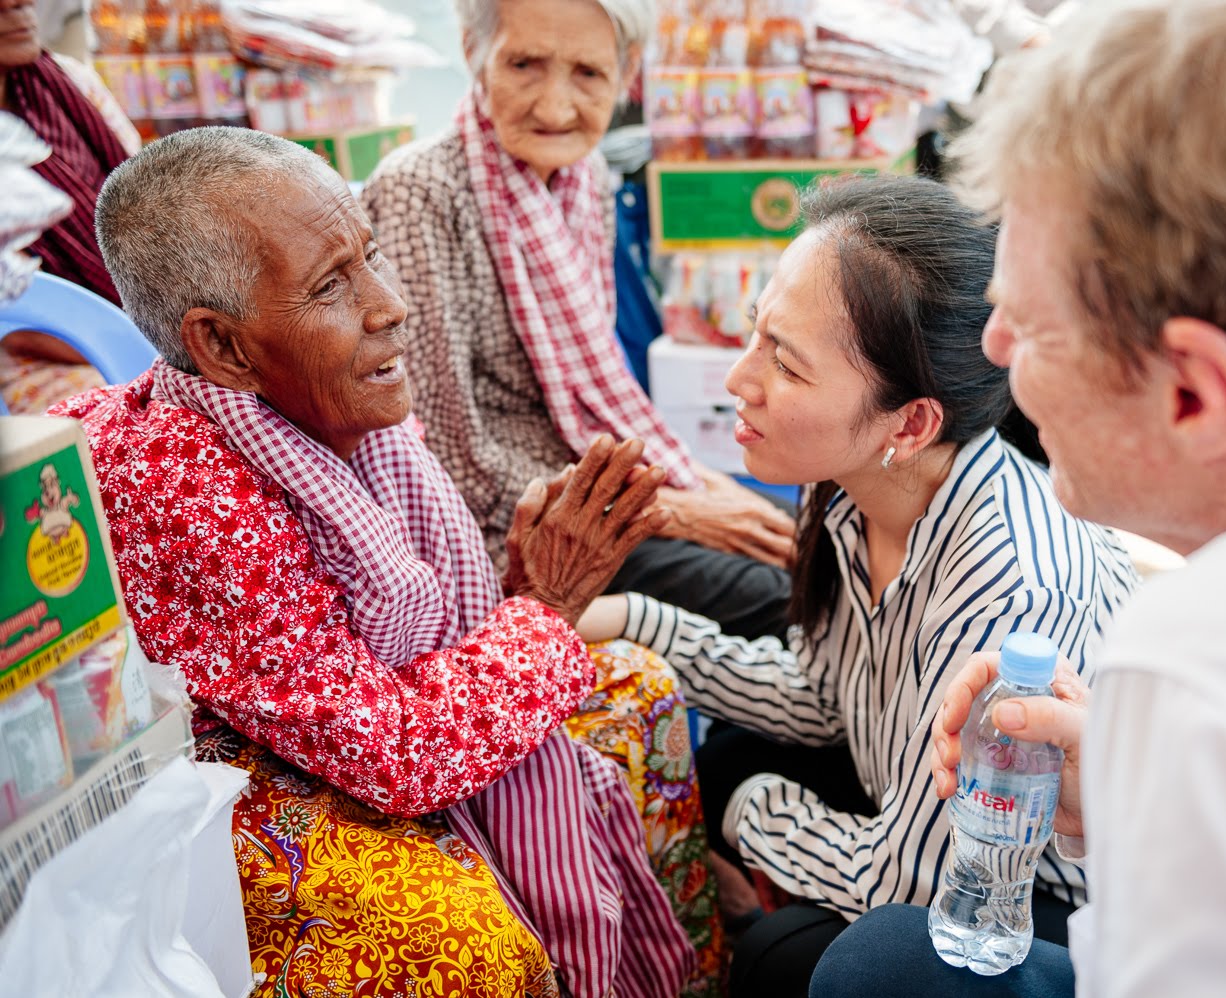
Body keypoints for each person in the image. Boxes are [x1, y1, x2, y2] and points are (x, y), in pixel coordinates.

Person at [811, 1, 1226, 996]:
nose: (994, 350)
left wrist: (1178, 753)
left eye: (1031, 324)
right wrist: (1140, 797)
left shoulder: (1218, 661)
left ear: (1196, 390)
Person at [53, 126, 722, 998]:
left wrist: (515, 593)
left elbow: (396, 634)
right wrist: (546, 607)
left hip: (333, 720)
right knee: (460, 938)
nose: (388, 304)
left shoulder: (325, 405)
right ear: (221, 347)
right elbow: (396, 755)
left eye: (368, 256)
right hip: (220, 768)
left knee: (638, 688)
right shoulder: (180, 481)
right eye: (332, 284)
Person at [578, 174, 1140, 995]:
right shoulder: (858, 486)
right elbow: (825, 694)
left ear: (909, 424)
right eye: (755, 335)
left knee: (789, 950)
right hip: (908, 812)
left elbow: (907, 886)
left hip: (1024, 902)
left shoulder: (1009, 590)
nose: (740, 379)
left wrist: (741, 814)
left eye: (786, 365)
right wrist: (631, 619)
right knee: (732, 752)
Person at [360, 0, 796, 642]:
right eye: (525, 64)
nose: (556, 106)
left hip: (598, 489)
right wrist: (680, 511)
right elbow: (449, 460)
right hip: (521, 533)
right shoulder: (419, 190)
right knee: (784, 598)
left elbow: (597, 399)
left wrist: (696, 490)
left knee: (805, 541)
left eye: (588, 73)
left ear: (627, 73)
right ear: (473, 51)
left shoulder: (584, 178)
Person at [0, 0, 141, 413]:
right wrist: (139, 337)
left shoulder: (70, 82)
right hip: (28, 358)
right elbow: (19, 327)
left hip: (141, 320)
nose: (17, 3)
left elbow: (150, 198)